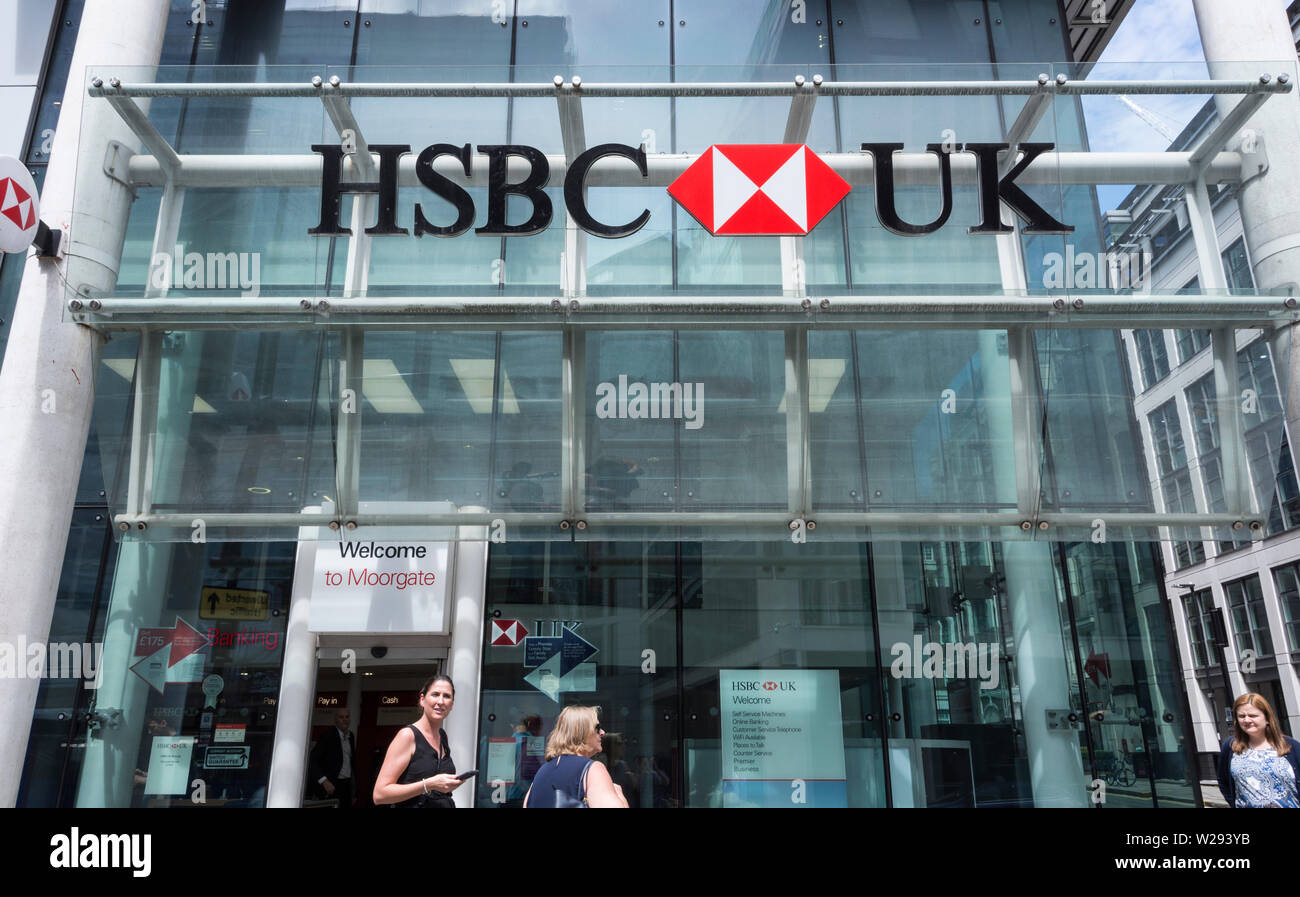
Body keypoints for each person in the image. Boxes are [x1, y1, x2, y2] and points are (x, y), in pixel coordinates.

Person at [373, 674, 462, 808]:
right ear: (422, 699)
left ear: (452, 705)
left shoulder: (442, 736)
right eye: (435, 694)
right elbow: (380, 795)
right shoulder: (407, 736)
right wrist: (429, 784)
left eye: (447, 696)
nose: (441, 701)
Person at [523, 705, 628, 808]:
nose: (603, 733)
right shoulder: (593, 769)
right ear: (581, 731)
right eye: (597, 727)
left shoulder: (542, 772)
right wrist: (619, 794)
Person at [1216, 692, 1300, 808]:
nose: (1247, 720)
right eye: (1241, 716)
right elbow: (1223, 781)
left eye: (1253, 715)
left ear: (1267, 718)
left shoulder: (1291, 746)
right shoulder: (1230, 747)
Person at [308, 707, 355, 808]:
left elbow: (351, 763)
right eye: (341, 717)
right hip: (331, 785)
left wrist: (353, 789)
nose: (345, 720)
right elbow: (312, 760)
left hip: (346, 785)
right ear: (335, 720)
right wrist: (324, 781)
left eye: (347, 717)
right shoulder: (327, 736)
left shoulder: (351, 736)